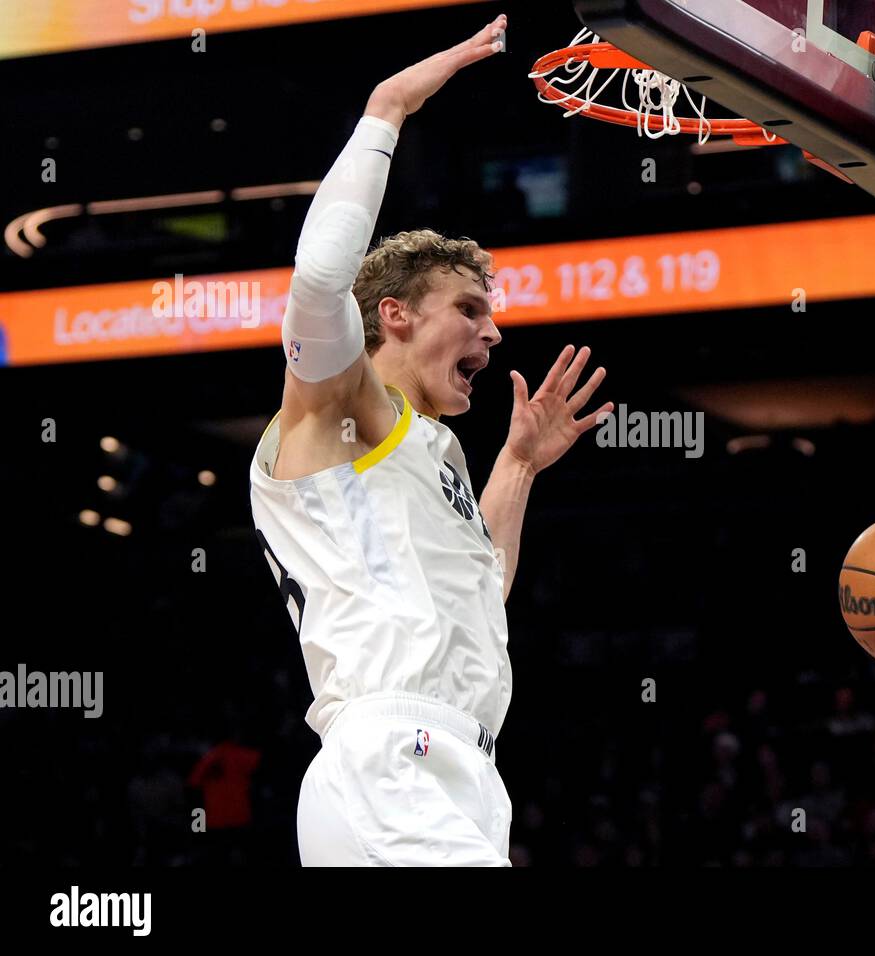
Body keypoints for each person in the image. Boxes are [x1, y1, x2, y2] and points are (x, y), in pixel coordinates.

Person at [249, 14, 612, 865]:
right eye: (470, 310)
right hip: (389, 758)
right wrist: (388, 109)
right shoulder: (342, 410)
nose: (491, 336)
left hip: (459, 768)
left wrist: (518, 465)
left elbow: (477, 588)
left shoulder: (426, 451)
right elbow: (317, 280)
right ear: (396, 316)